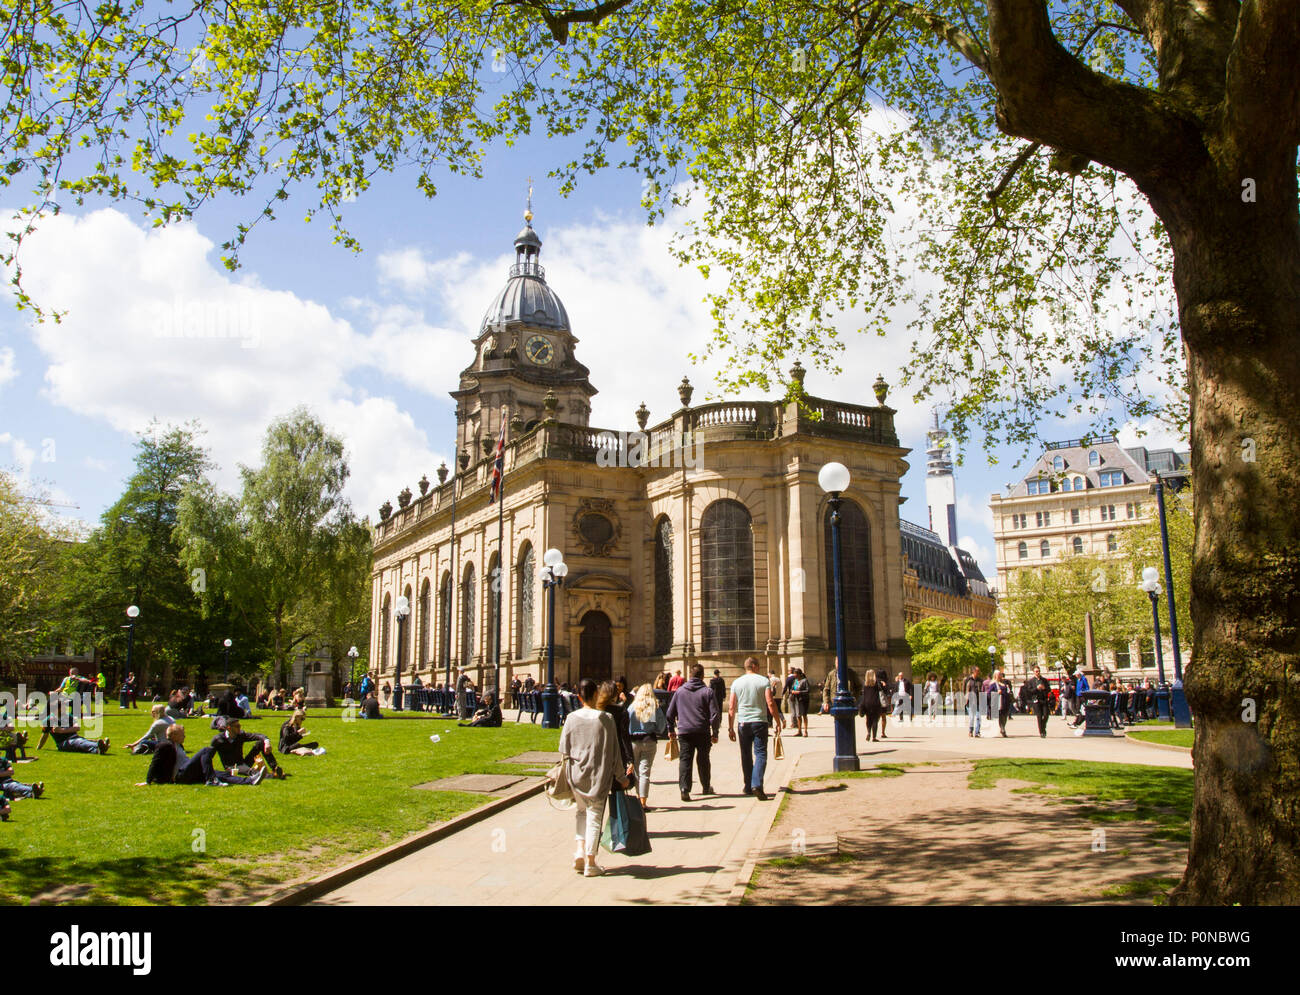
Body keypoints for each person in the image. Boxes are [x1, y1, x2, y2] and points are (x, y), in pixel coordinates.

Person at [558, 677, 630, 877]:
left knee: (581, 813)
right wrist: (621, 777)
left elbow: (563, 749)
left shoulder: (571, 718)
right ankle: (590, 861)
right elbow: (615, 752)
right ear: (596, 695)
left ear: (579, 697)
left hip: (577, 775)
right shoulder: (605, 718)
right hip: (598, 775)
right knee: (595, 816)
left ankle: (580, 851)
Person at [729, 656, 783, 800]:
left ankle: (748, 786)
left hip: (743, 723)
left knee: (745, 755)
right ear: (754, 666)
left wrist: (730, 727)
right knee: (760, 754)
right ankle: (757, 784)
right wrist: (778, 721)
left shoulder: (736, 683)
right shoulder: (763, 681)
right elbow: (770, 702)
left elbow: (731, 707)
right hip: (759, 722)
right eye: (758, 666)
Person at [665, 663, 720, 801]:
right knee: (703, 760)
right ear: (702, 676)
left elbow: (669, 713)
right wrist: (715, 732)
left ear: (690, 675)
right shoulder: (708, 692)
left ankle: (684, 789)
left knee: (685, 759)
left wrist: (670, 729)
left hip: (684, 732)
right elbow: (714, 715)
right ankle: (706, 786)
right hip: (702, 731)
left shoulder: (680, 692)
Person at [144, 724, 266, 786]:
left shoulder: (178, 745)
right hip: (180, 776)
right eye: (182, 734)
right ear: (174, 735)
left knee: (221, 774)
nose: (185, 736)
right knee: (206, 750)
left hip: (188, 772)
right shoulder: (165, 745)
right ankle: (211, 780)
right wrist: (148, 781)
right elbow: (155, 762)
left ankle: (250, 781)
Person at [627, 683, 667, 810]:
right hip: (649, 740)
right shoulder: (654, 707)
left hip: (633, 741)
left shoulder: (631, 707)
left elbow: (625, 724)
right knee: (645, 772)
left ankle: (639, 797)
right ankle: (643, 801)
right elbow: (661, 726)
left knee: (637, 771)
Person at [210, 717, 284, 778]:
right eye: (237, 726)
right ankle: (272, 776)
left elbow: (257, 735)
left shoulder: (240, 735)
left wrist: (267, 742)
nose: (239, 728)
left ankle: (275, 768)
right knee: (249, 771)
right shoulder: (218, 739)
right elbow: (209, 755)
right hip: (232, 767)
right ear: (229, 728)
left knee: (261, 743)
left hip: (242, 762)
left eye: (240, 726)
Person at [858, 669, 887, 742]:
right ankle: (874, 737)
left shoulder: (865, 684)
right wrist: (884, 685)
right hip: (875, 703)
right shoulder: (877, 683)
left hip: (867, 703)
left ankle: (868, 732)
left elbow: (864, 695)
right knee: (875, 720)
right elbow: (883, 691)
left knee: (868, 719)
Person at [1027, 666, 1053, 738]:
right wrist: (1037, 688)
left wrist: (1044, 688)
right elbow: (1029, 691)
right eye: (1036, 671)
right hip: (1036, 700)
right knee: (1039, 716)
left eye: (1038, 671)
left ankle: (1043, 727)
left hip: (1044, 699)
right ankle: (1042, 732)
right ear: (1034, 672)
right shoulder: (1031, 681)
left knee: (1046, 715)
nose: (1038, 672)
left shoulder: (1044, 680)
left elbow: (1049, 689)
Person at [788, 668, 810, 737]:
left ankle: (805, 731)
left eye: (795, 673)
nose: (794, 675)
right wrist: (792, 691)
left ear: (799, 674)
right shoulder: (795, 681)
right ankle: (799, 731)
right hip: (796, 700)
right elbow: (792, 688)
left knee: (804, 715)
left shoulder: (804, 681)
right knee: (798, 715)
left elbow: (808, 690)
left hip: (803, 700)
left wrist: (799, 692)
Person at [992, 670, 1013, 737]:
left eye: (1000, 674)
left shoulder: (1005, 683)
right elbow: (989, 693)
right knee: (1001, 716)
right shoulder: (993, 684)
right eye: (998, 674)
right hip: (998, 702)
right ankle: (1002, 729)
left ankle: (1002, 727)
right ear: (995, 675)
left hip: (1005, 702)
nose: (1000, 675)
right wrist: (996, 693)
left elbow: (1009, 691)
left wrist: (1009, 692)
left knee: (1005, 716)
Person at [964, 666, 983, 737]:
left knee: (978, 717)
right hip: (970, 701)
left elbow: (982, 690)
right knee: (971, 717)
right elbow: (964, 690)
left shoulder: (980, 680)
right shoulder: (968, 680)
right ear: (973, 671)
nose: (979, 672)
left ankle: (977, 732)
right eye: (978, 671)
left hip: (978, 701)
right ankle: (970, 731)